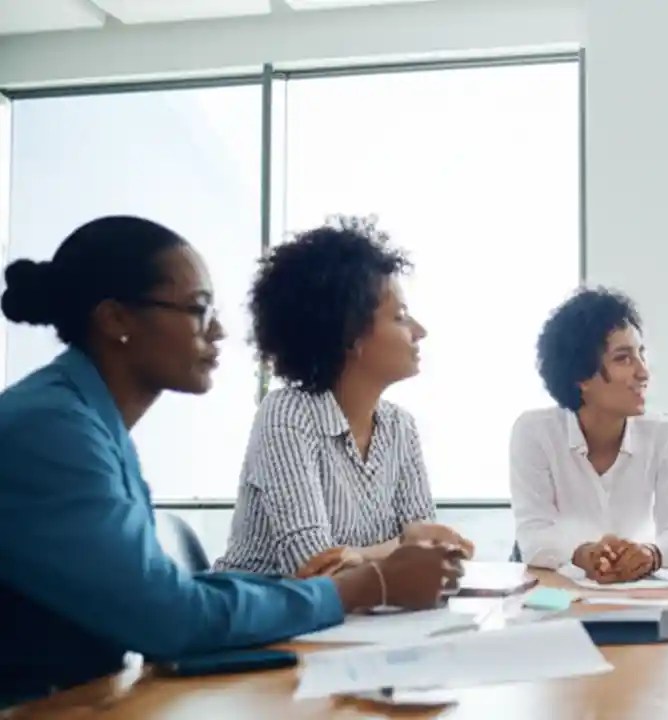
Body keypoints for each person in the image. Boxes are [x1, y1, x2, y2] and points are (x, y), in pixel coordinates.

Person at [0, 216, 461, 706]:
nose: (219, 330)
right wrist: (367, 583)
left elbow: (160, 597)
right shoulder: (52, 430)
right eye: (198, 310)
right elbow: (168, 617)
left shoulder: (86, 420)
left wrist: (370, 574)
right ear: (116, 320)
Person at [217, 216, 471, 578]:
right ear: (351, 334)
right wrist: (404, 547)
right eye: (400, 317)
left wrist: (423, 550)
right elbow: (315, 567)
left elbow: (423, 561)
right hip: (263, 620)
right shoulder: (288, 413)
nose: (420, 331)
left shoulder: (400, 427)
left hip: (356, 621)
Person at [509, 288, 668, 582]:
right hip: (559, 592)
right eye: (623, 359)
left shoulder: (665, 434)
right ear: (581, 377)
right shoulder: (534, 432)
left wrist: (651, 554)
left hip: (639, 591)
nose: (643, 372)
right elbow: (533, 535)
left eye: (641, 354)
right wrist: (582, 554)